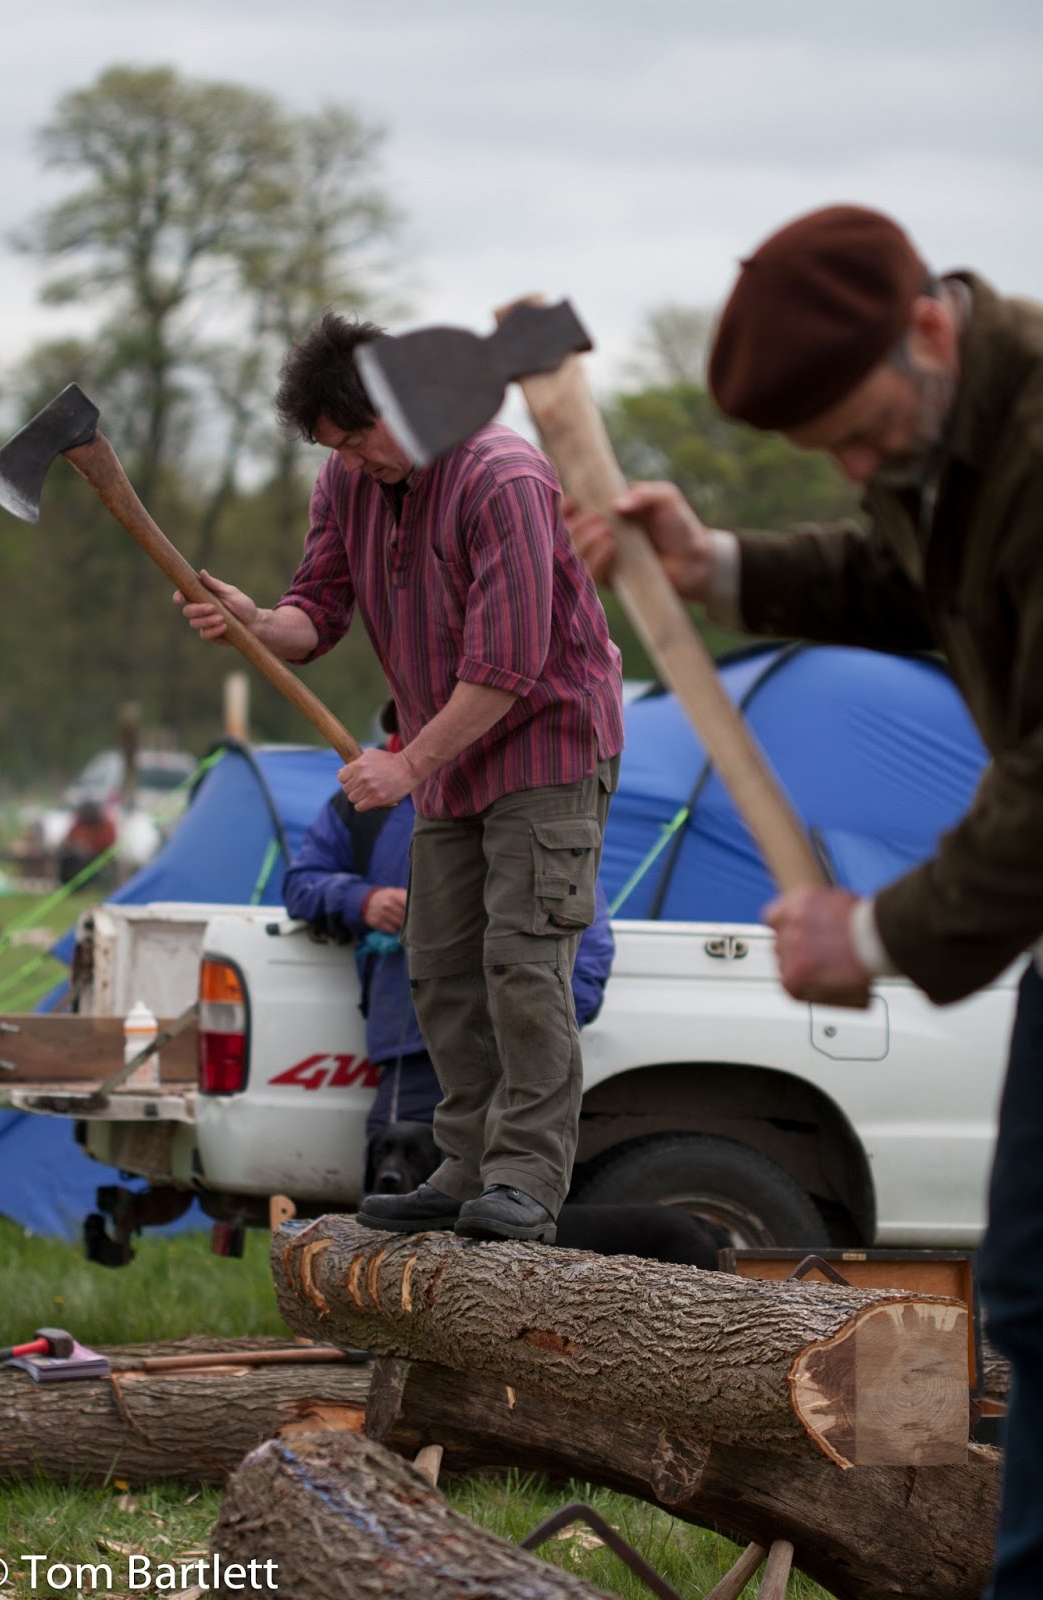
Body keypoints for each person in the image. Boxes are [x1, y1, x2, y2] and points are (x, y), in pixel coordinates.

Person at [566, 203, 1043, 1600]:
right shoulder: (959, 433)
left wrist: (881, 933)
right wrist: (718, 566)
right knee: (1028, 1291)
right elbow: (909, 578)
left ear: (931, 327)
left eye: (855, 434)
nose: (852, 467)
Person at [177, 311, 624, 1245]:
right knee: (443, 965)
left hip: (543, 745)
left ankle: (527, 1183)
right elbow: (315, 616)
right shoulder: (347, 480)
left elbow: (505, 668)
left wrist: (406, 764)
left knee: (523, 964)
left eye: (355, 437)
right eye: (333, 446)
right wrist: (254, 621)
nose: (349, 458)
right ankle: (463, 1167)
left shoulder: (503, 479)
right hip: (449, 753)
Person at [282, 698, 616, 1191]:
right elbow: (300, 884)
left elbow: (584, 938)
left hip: (513, 1061)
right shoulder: (362, 804)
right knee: (395, 1196)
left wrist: (534, 1029)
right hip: (412, 1046)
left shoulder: (517, 799)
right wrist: (363, 900)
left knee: (496, 1203)